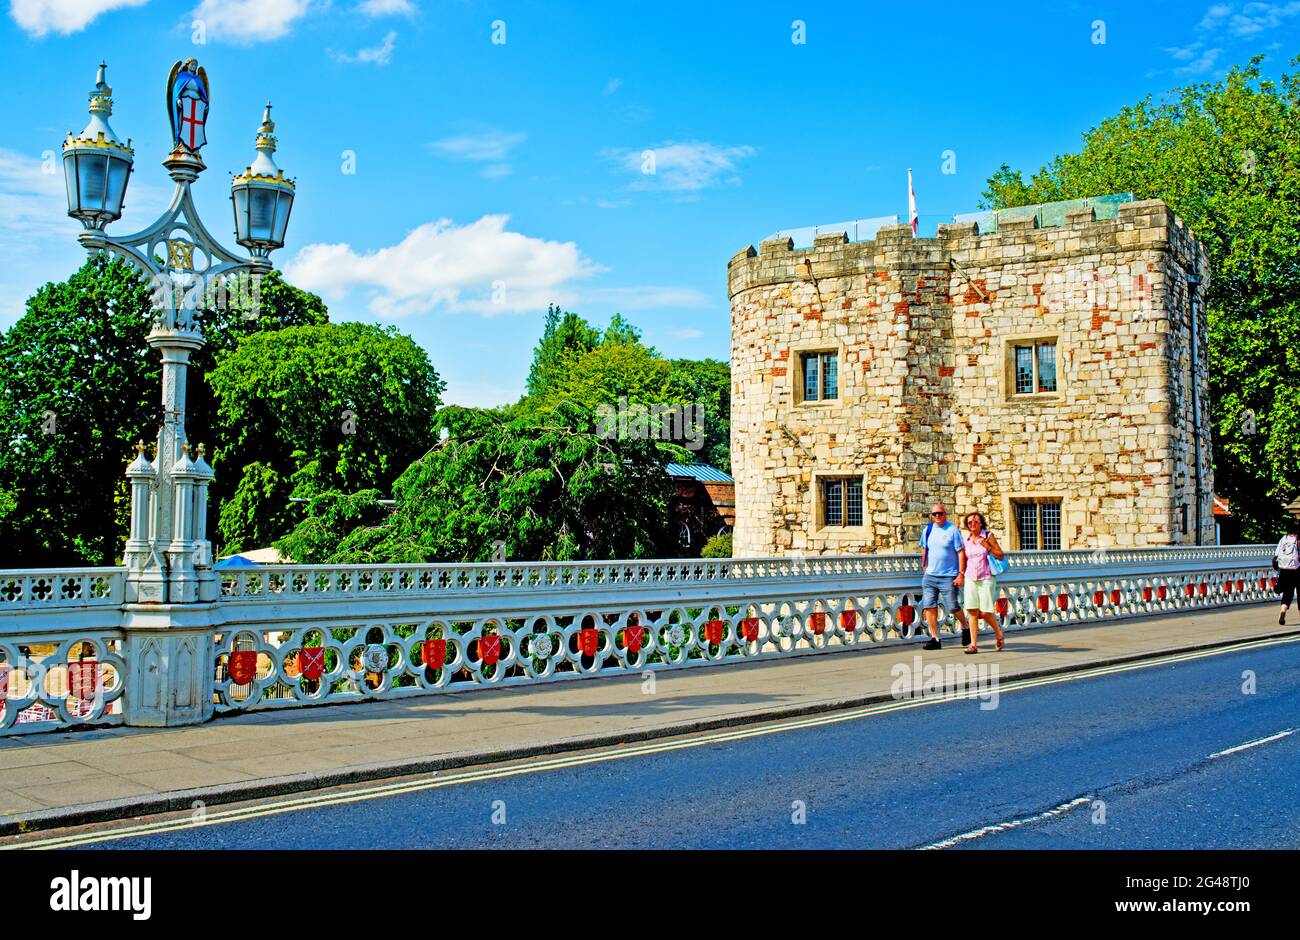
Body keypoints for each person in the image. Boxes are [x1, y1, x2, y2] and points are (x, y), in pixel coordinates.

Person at [919, 503, 969, 650]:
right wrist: (924, 566)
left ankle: (965, 627)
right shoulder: (927, 530)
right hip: (930, 576)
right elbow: (924, 548)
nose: (937, 516)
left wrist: (961, 574)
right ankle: (935, 638)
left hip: (948, 575)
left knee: (953, 606)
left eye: (940, 513)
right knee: (929, 606)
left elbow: (961, 552)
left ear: (945, 514)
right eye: (934, 514)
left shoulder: (952, 530)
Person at [962, 512, 1006, 653]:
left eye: (976, 521)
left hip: (986, 577)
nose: (973, 524)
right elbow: (963, 559)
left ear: (981, 523)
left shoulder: (988, 536)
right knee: (972, 611)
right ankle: (973, 645)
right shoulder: (967, 540)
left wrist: (987, 546)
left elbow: (1000, 555)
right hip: (970, 578)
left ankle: (998, 632)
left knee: (986, 612)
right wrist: (960, 575)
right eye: (970, 523)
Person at [1275, 524, 1300, 625]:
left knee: (1287, 593)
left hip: (1284, 569)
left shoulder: (1283, 539)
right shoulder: (1298, 539)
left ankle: (1283, 611)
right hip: (1297, 569)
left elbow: (1277, 554)